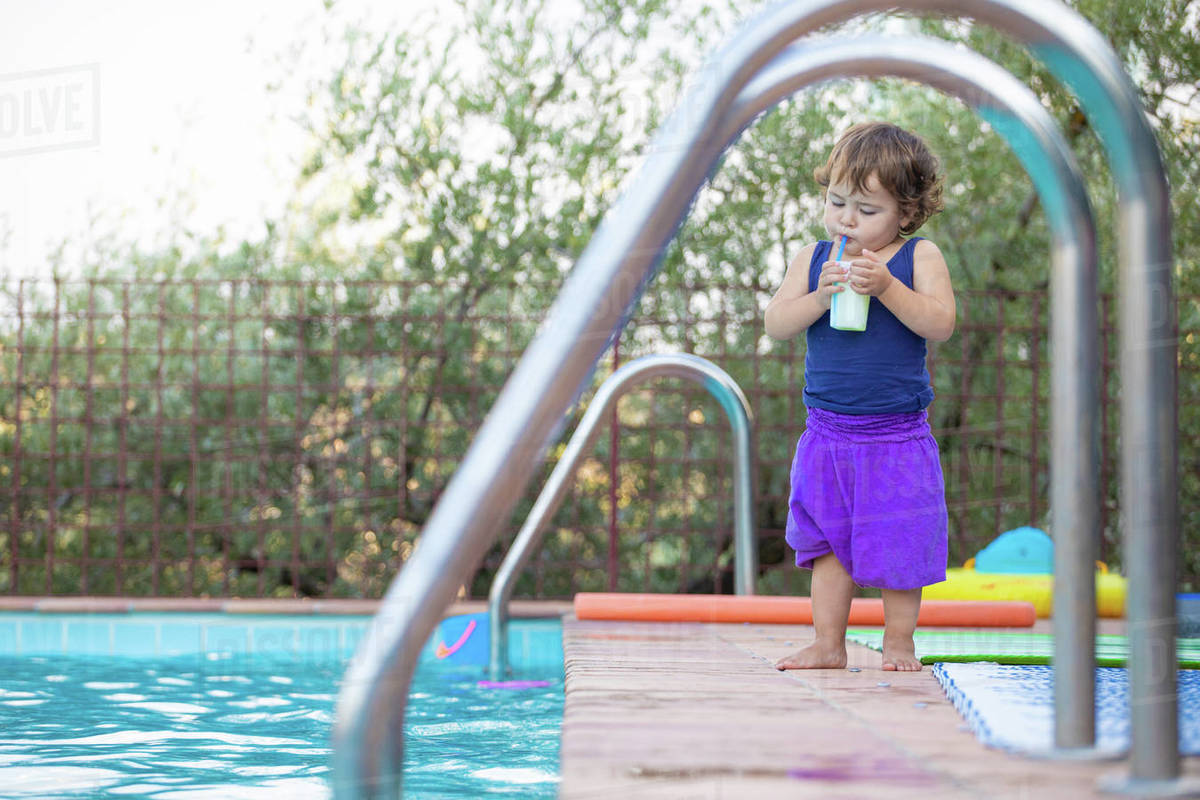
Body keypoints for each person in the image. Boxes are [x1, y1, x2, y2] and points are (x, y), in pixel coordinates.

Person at [763, 121, 954, 672]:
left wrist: (889, 288)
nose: (846, 218)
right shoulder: (814, 258)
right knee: (826, 544)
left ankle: (898, 644)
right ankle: (828, 645)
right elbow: (777, 322)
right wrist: (819, 296)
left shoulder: (918, 258)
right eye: (836, 201)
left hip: (896, 435)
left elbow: (940, 323)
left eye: (866, 210)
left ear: (906, 213)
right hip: (827, 432)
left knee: (901, 540)